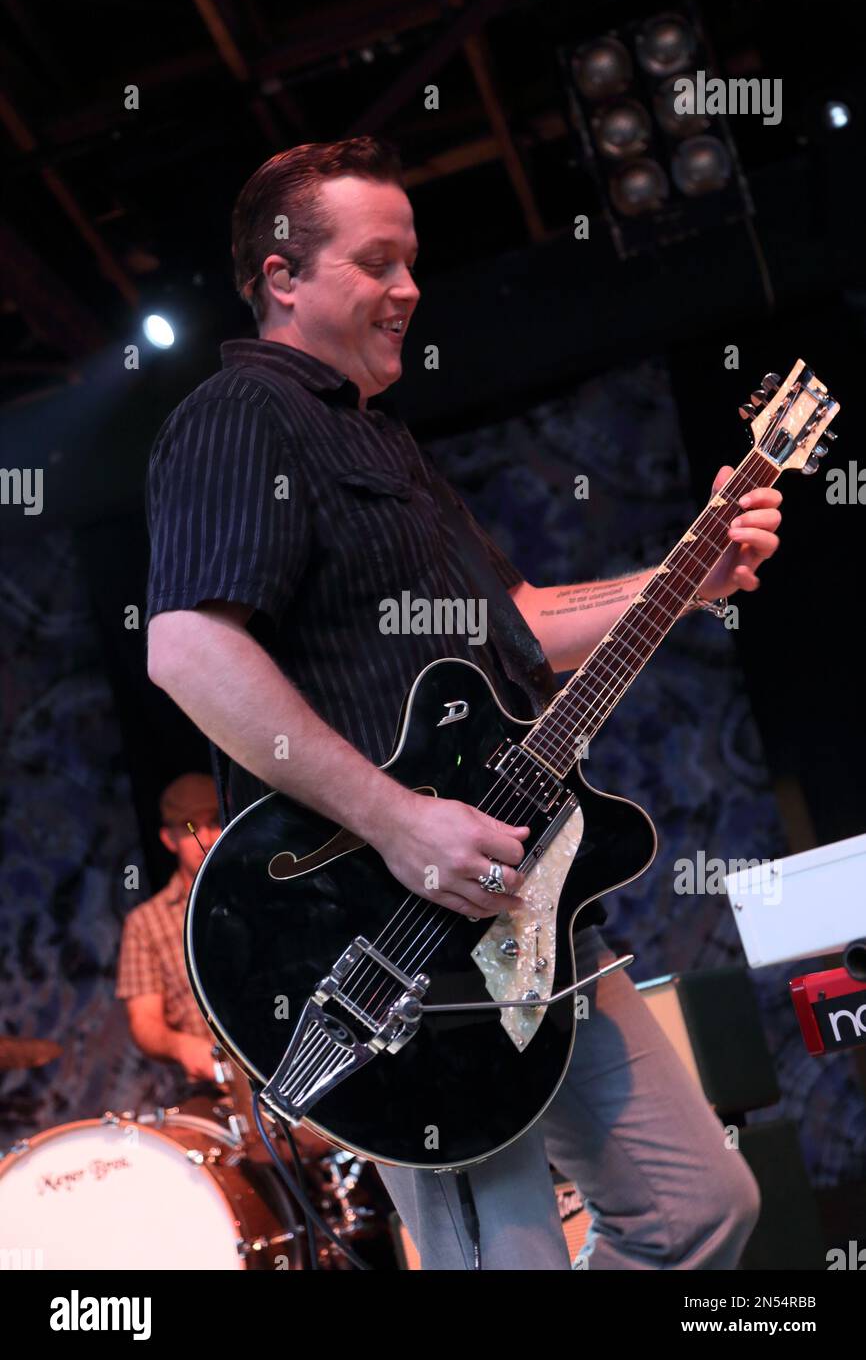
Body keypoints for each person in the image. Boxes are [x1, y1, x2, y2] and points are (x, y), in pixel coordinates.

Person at [145, 136, 782, 1269]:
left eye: (414, 262)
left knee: (698, 1208)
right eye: (377, 262)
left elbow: (519, 622)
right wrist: (397, 820)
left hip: (526, 910)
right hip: (385, 936)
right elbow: (188, 647)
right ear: (283, 275)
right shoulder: (241, 414)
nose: (408, 289)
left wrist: (685, 576)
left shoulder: (382, 439)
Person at [116, 772, 223, 1092]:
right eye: (191, 827)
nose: (207, 837)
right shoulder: (145, 923)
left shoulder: (266, 892)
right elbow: (145, 1022)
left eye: (215, 821)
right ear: (168, 838)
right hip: (216, 1089)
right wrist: (181, 1046)